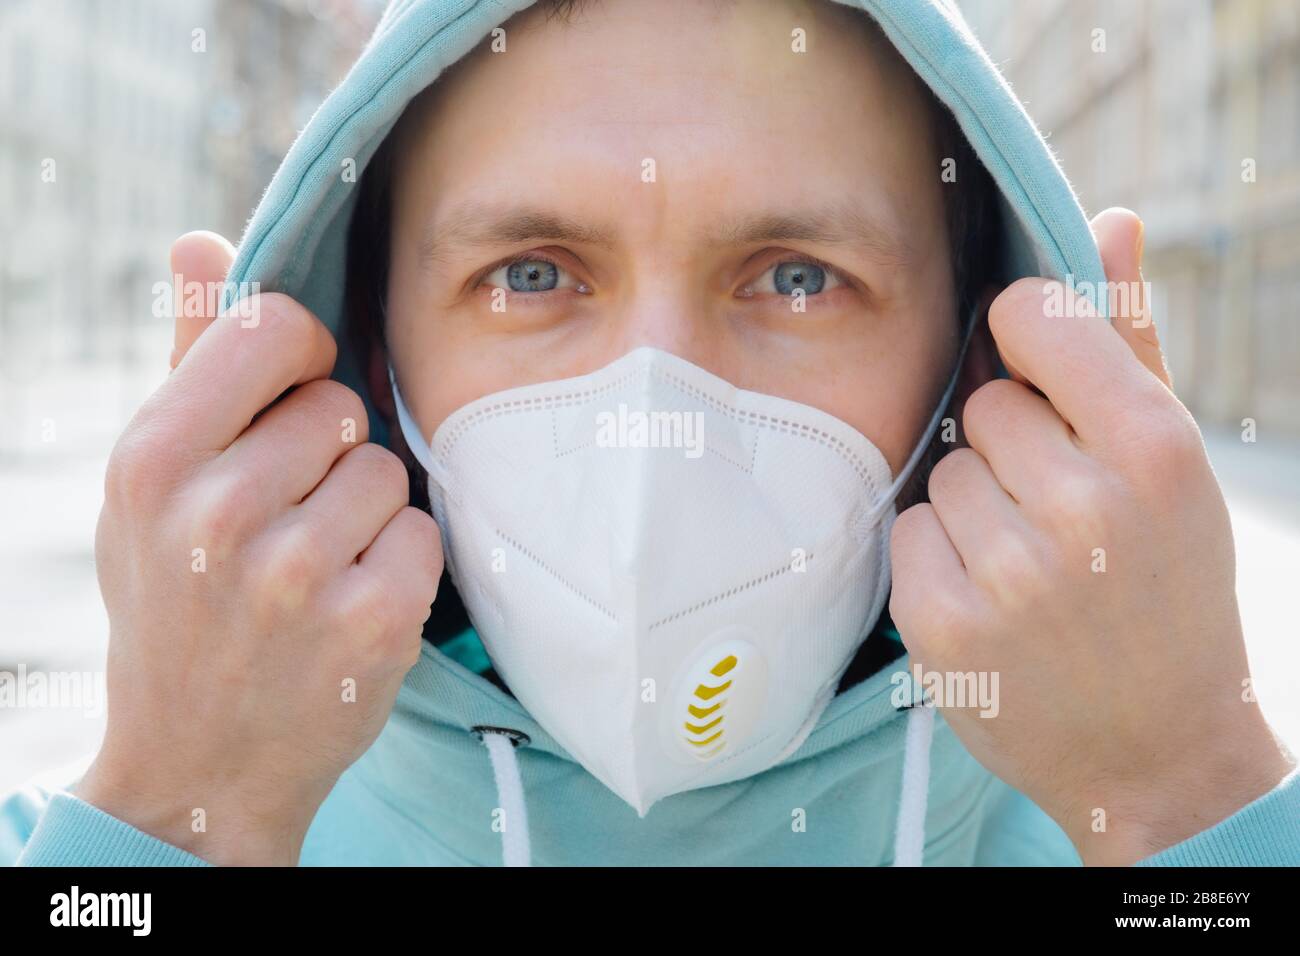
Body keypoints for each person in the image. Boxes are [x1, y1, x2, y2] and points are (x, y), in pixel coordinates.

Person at [5, 0, 1296, 866]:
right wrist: (180, 815)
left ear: (977, 372)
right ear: (367, 356)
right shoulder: (88, 842)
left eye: (796, 276)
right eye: (530, 274)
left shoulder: (1158, 833)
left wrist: (1185, 798)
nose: (656, 414)